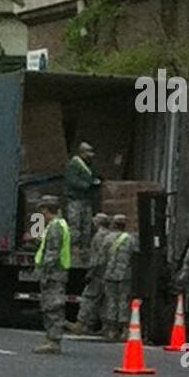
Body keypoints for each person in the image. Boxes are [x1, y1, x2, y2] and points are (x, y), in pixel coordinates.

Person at [33, 196, 71, 355]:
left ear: (46, 210)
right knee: (50, 306)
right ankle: (51, 339)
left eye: (42, 210)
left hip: (53, 274)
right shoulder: (57, 225)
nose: (42, 214)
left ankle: (53, 341)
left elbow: (52, 253)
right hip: (56, 273)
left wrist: (44, 273)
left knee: (52, 307)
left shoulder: (55, 227)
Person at [74, 212, 112, 335]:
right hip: (108, 272)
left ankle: (81, 324)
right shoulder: (110, 235)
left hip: (98, 273)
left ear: (98, 223)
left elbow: (97, 257)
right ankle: (106, 327)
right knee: (104, 300)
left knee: (88, 298)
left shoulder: (98, 236)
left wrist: (91, 272)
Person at [101, 213, 134, 341]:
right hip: (125, 275)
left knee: (111, 301)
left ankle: (111, 330)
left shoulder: (108, 238)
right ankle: (125, 330)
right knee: (124, 301)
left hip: (110, 274)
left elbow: (102, 257)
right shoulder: (130, 239)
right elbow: (135, 256)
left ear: (114, 224)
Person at [64, 142, 101, 254]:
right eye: (88, 153)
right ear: (82, 153)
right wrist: (88, 185)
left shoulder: (88, 166)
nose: (90, 156)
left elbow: (94, 176)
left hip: (86, 199)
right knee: (75, 223)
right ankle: (75, 246)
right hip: (76, 199)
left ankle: (85, 245)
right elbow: (73, 181)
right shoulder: (74, 165)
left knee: (87, 223)